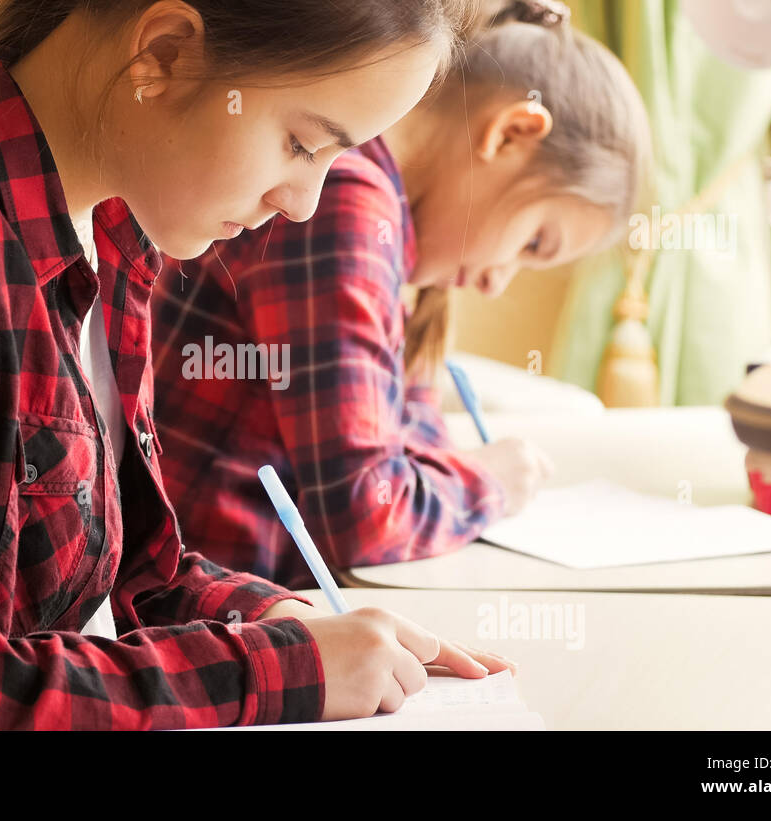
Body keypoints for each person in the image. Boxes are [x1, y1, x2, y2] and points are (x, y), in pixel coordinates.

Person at [0, 0, 516, 731]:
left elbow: (131, 574)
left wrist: (287, 620)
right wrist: (277, 670)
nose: (303, 202)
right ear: (163, 52)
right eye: (302, 142)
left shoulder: (117, 232)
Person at [151, 0, 653, 587]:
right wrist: (490, 482)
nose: (496, 283)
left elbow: (408, 452)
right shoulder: (344, 202)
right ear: (511, 134)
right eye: (534, 242)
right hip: (206, 607)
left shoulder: (386, 223)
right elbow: (367, 515)